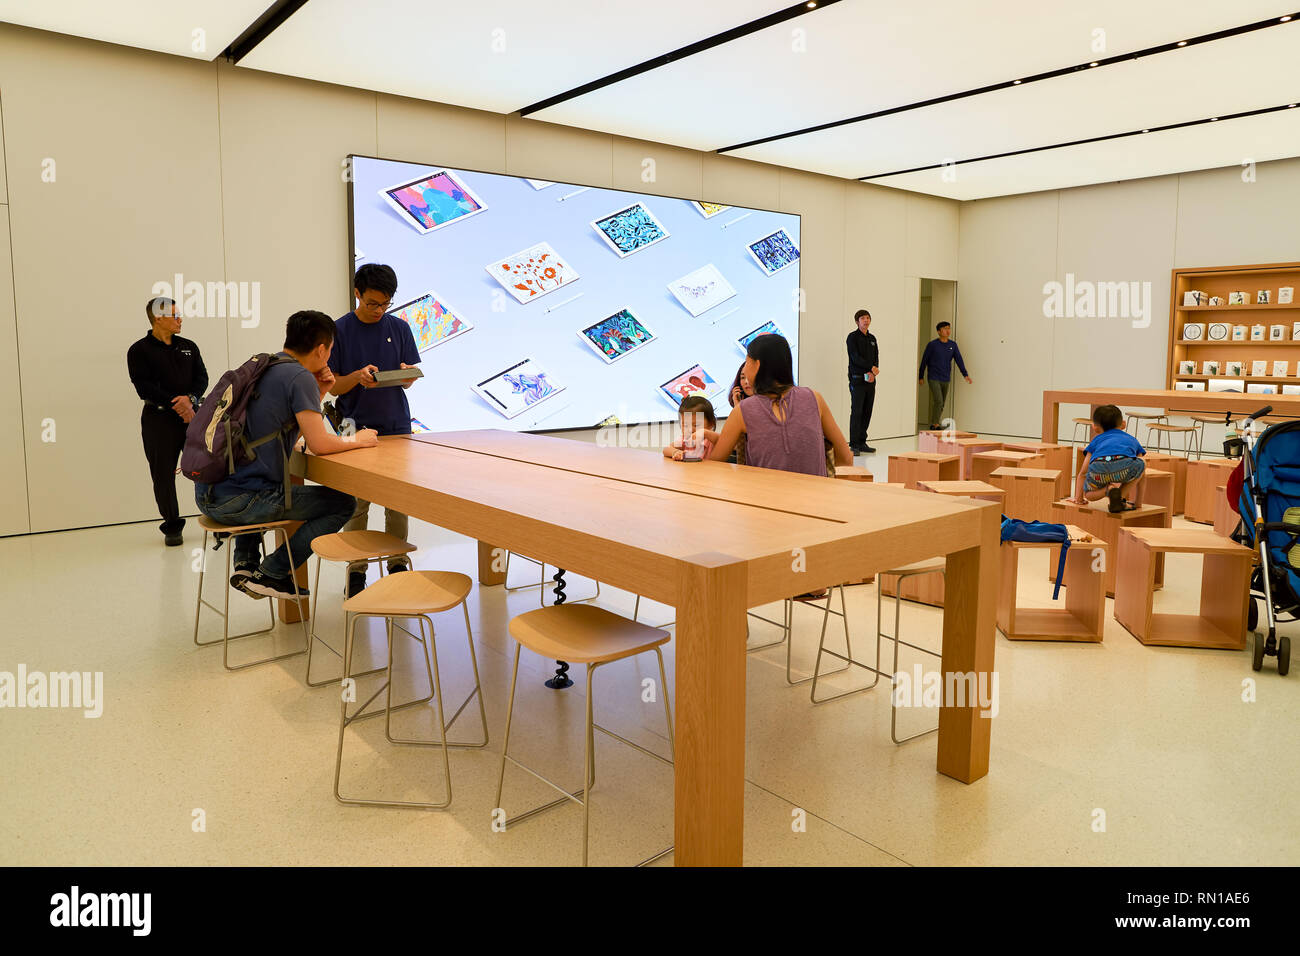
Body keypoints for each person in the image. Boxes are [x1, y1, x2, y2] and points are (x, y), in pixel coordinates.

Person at [195, 310, 377, 599]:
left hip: (209, 493)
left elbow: (292, 429)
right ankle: (272, 573)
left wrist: (321, 391)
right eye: (330, 350)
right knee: (342, 504)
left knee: (262, 476)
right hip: (242, 502)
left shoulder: (265, 364)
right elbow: (319, 444)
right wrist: (360, 439)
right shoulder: (299, 376)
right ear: (321, 349)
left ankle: (246, 564)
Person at [327, 263, 420, 597]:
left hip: (396, 423)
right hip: (354, 425)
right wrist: (357, 376)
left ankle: (397, 567)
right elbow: (334, 387)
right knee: (358, 503)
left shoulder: (399, 327)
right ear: (357, 293)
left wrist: (408, 374)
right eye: (373, 304)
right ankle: (357, 572)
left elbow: (408, 376)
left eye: (386, 303)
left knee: (398, 501)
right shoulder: (338, 331)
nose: (380, 310)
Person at [707, 333, 853, 477]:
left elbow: (715, 463)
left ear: (757, 365)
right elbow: (846, 457)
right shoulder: (814, 398)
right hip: (817, 498)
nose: (744, 369)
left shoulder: (742, 411)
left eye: (746, 362)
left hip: (763, 499)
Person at [127, 296, 209, 547]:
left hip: (192, 417)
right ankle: (172, 526)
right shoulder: (139, 350)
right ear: (158, 318)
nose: (180, 319)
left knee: (206, 468)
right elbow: (143, 387)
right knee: (162, 474)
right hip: (158, 420)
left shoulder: (189, 346)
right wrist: (179, 404)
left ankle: (218, 517)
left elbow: (202, 377)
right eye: (174, 315)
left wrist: (191, 399)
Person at [1074, 404, 1146, 513]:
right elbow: (1140, 470)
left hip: (1098, 471)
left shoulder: (1096, 440)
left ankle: (1109, 490)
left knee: (1088, 494)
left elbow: (1083, 472)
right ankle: (1119, 498)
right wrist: (1138, 503)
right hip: (1123, 469)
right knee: (1142, 464)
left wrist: (1078, 498)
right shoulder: (1132, 439)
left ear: (1095, 427)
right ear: (1123, 424)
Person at [918, 320, 972, 429]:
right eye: (945, 329)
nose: (948, 331)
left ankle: (935, 422)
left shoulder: (953, 345)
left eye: (949, 328)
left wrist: (965, 374)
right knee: (938, 400)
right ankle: (935, 424)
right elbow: (924, 360)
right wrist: (921, 376)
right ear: (939, 331)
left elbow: (959, 360)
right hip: (933, 377)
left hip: (945, 378)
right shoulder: (932, 345)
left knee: (942, 403)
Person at [846, 309, 879, 455]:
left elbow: (875, 357)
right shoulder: (852, 337)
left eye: (867, 318)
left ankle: (862, 441)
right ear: (857, 322)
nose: (866, 320)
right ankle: (854, 444)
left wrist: (873, 370)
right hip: (857, 379)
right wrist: (869, 367)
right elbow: (855, 357)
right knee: (857, 411)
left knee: (867, 411)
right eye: (862, 318)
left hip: (870, 379)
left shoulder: (872, 338)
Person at [663, 395, 717, 461]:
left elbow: (721, 440)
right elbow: (666, 449)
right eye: (685, 425)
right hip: (688, 470)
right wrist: (676, 452)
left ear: (711, 424)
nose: (690, 430)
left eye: (696, 425)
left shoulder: (711, 440)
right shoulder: (685, 439)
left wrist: (706, 433)